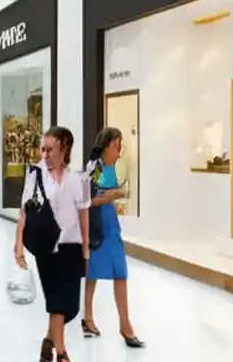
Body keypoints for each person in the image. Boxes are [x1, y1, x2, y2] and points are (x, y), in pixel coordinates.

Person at [15, 127, 90, 362]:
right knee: (56, 300)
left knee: (70, 307)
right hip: (47, 247)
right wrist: (18, 243)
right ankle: (62, 352)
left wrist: (86, 250)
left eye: (50, 149)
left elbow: (84, 216)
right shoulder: (35, 175)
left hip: (72, 246)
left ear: (64, 148)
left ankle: (48, 341)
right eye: (42, 149)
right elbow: (24, 212)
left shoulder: (79, 179)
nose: (44, 154)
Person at [82, 128, 144, 348]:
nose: (119, 151)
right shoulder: (97, 168)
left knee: (114, 271)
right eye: (117, 146)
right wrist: (115, 194)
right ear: (108, 146)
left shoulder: (106, 168)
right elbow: (88, 198)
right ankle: (96, 319)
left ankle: (118, 323)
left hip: (108, 225)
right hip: (100, 226)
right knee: (100, 272)